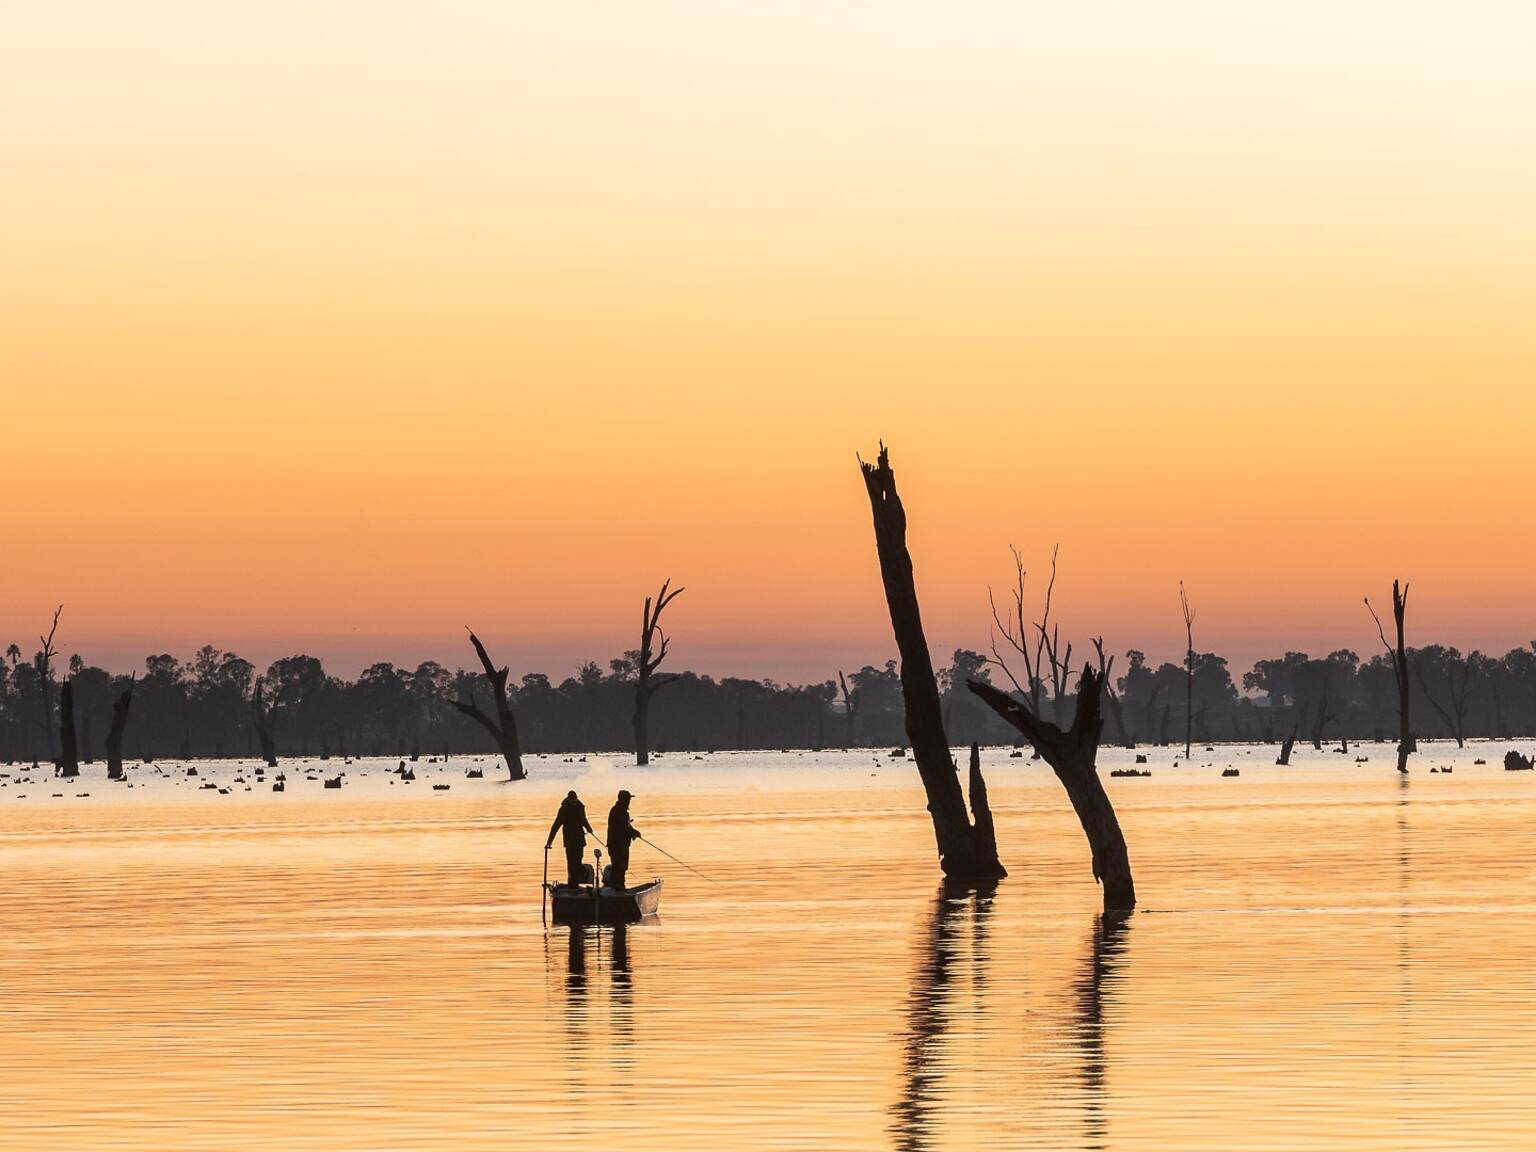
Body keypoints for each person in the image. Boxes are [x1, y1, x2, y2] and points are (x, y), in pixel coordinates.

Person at [546, 790, 594, 886]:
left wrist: (589, 829)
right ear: (568, 799)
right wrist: (549, 842)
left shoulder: (580, 807)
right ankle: (572, 882)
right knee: (571, 862)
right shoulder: (563, 809)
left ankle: (576, 880)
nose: (573, 802)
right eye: (572, 800)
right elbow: (556, 826)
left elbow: (583, 819)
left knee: (578, 860)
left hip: (579, 839)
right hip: (569, 840)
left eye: (575, 800)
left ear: (576, 799)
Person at [606, 789, 642, 890]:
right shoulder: (619, 811)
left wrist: (633, 832)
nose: (629, 801)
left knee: (620, 867)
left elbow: (626, 827)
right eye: (628, 799)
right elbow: (622, 828)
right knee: (619, 867)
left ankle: (618, 887)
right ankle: (618, 888)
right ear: (624, 800)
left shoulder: (619, 810)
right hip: (618, 845)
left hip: (618, 845)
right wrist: (633, 833)